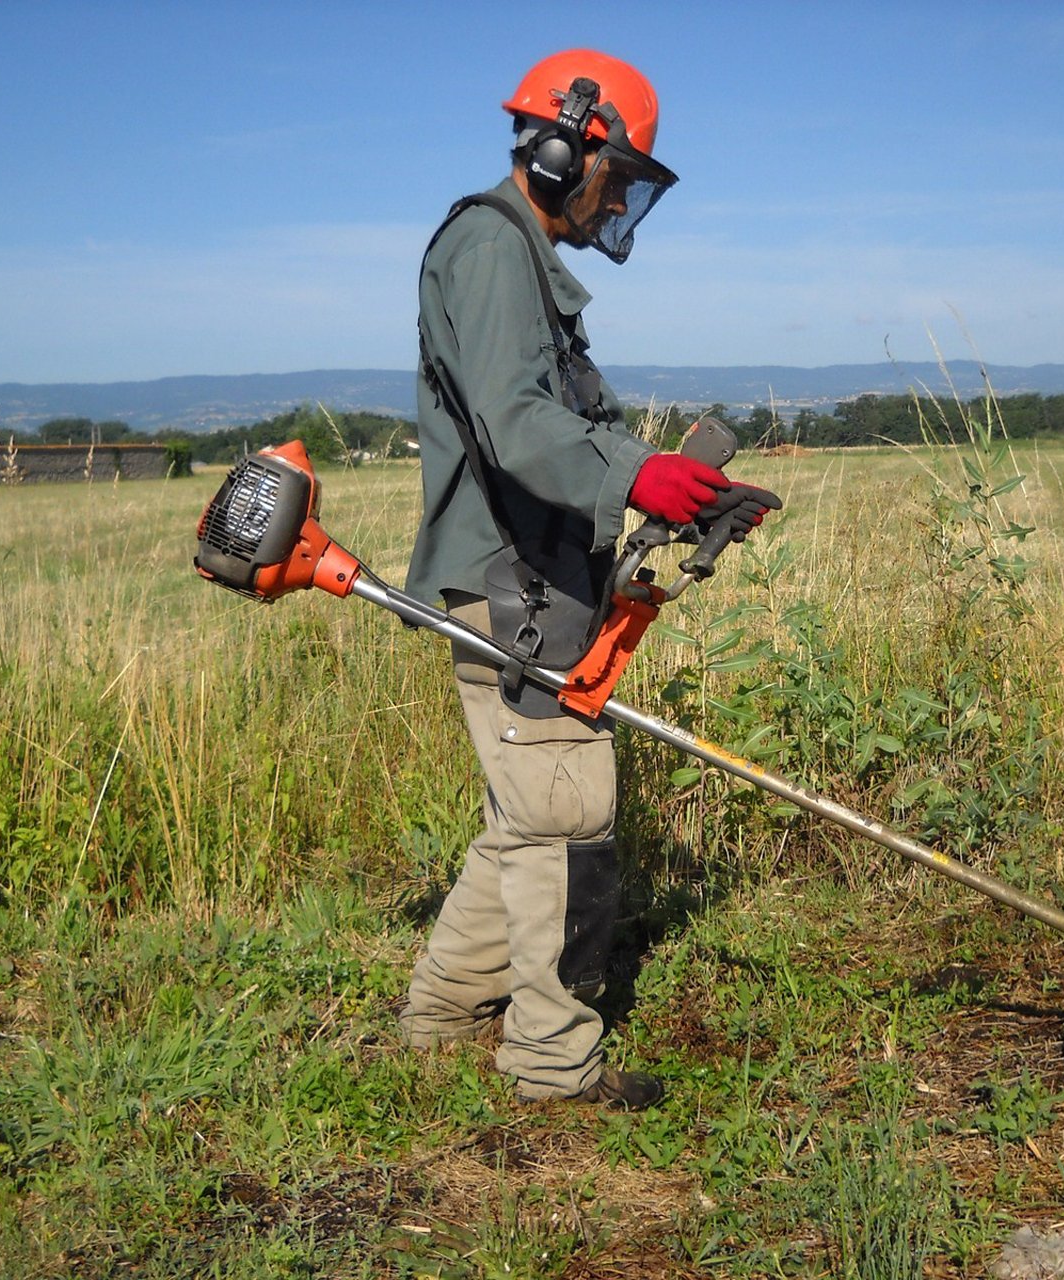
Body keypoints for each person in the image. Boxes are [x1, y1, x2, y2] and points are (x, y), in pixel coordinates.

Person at [400, 49, 765, 1109]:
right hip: (508, 577)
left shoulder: (522, 262)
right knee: (566, 803)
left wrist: (680, 489)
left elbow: (573, 426)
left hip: (539, 571)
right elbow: (517, 424)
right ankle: (554, 1065)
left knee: (530, 806)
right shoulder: (485, 245)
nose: (621, 199)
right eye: (622, 174)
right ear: (568, 148)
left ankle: (439, 1016)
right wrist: (638, 473)